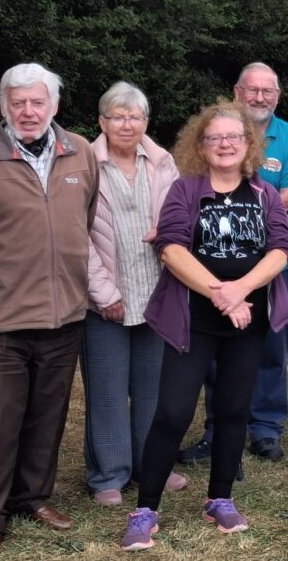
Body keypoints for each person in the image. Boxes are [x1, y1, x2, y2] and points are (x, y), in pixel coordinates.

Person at [0, 63, 100, 560]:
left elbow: (86, 220)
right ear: (3, 106)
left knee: (47, 417)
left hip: (64, 316)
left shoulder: (81, 153)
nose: (28, 112)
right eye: (18, 103)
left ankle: (32, 498)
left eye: (37, 102)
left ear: (53, 105)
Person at [123, 102, 288, 548]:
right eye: (215, 137)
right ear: (200, 145)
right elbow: (171, 247)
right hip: (193, 321)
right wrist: (222, 292)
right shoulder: (185, 189)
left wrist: (241, 292)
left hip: (246, 323)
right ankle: (145, 509)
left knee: (234, 410)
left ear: (248, 145)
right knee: (173, 413)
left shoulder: (264, 194)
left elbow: (279, 248)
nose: (224, 144)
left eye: (233, 137)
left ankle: (220, 497)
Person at [180, 62, 288, 464]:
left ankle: (266, 429)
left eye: (267, 92)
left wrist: (235, 200)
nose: (259, 98)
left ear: (277, 96)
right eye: (252, 90)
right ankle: (217, 431)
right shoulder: (216, 133)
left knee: (272, 344)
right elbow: (198, 187)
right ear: (237, 92)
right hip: (218, 264)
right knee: (217, 348)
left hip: (275, 263)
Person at [81, 82, 186, 505]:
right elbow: (75, 235)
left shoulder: (163, 162)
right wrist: (103, 293)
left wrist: (170, 231)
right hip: (103, 294)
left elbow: (183, 215)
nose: (128, 124)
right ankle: (108, 475)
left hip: (156, 292)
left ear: (146, 121)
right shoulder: (84, 165)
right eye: (118, 116)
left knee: (153, 388)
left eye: (136, 117)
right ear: (102, 122)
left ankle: (151, 465)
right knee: (107, 390)